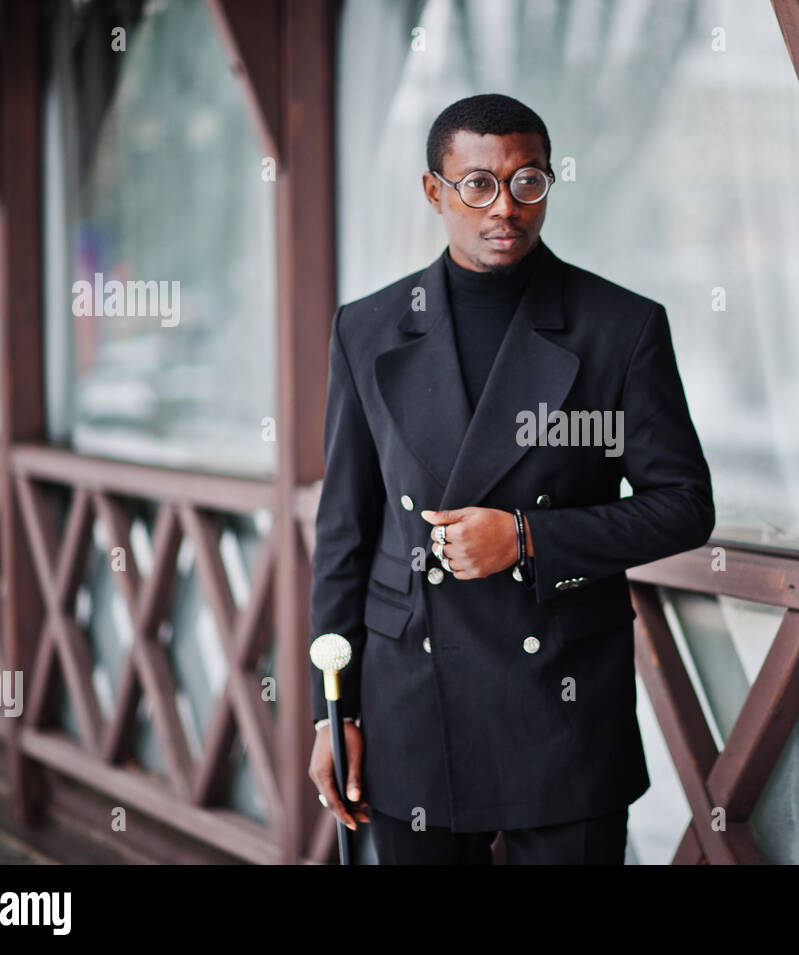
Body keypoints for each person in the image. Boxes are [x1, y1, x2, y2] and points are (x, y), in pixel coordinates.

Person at [306, 93, 715, 864]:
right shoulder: (366, 328)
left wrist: (526, 537)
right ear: (436, 191)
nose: (507, 208)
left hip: (560, 705)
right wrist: (333, 711)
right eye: (479, 185)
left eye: (528, 183)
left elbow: (685, 507)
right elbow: (344, 535)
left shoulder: (620, 327)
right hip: (409, 706)